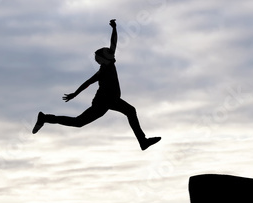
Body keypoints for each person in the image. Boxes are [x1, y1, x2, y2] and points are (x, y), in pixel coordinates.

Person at [32, 19, 161, 150]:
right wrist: (74, 94)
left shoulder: (106, 67)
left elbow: (112, 45)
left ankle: (143, 142)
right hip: (105, 101)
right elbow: (89, 80)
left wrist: (114, 29)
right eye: (108, 54)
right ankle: (45, 118)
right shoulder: (105, 69)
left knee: (82, 121)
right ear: (104, 59)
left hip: (110, 100)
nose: (112, 54)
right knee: (81, 122)